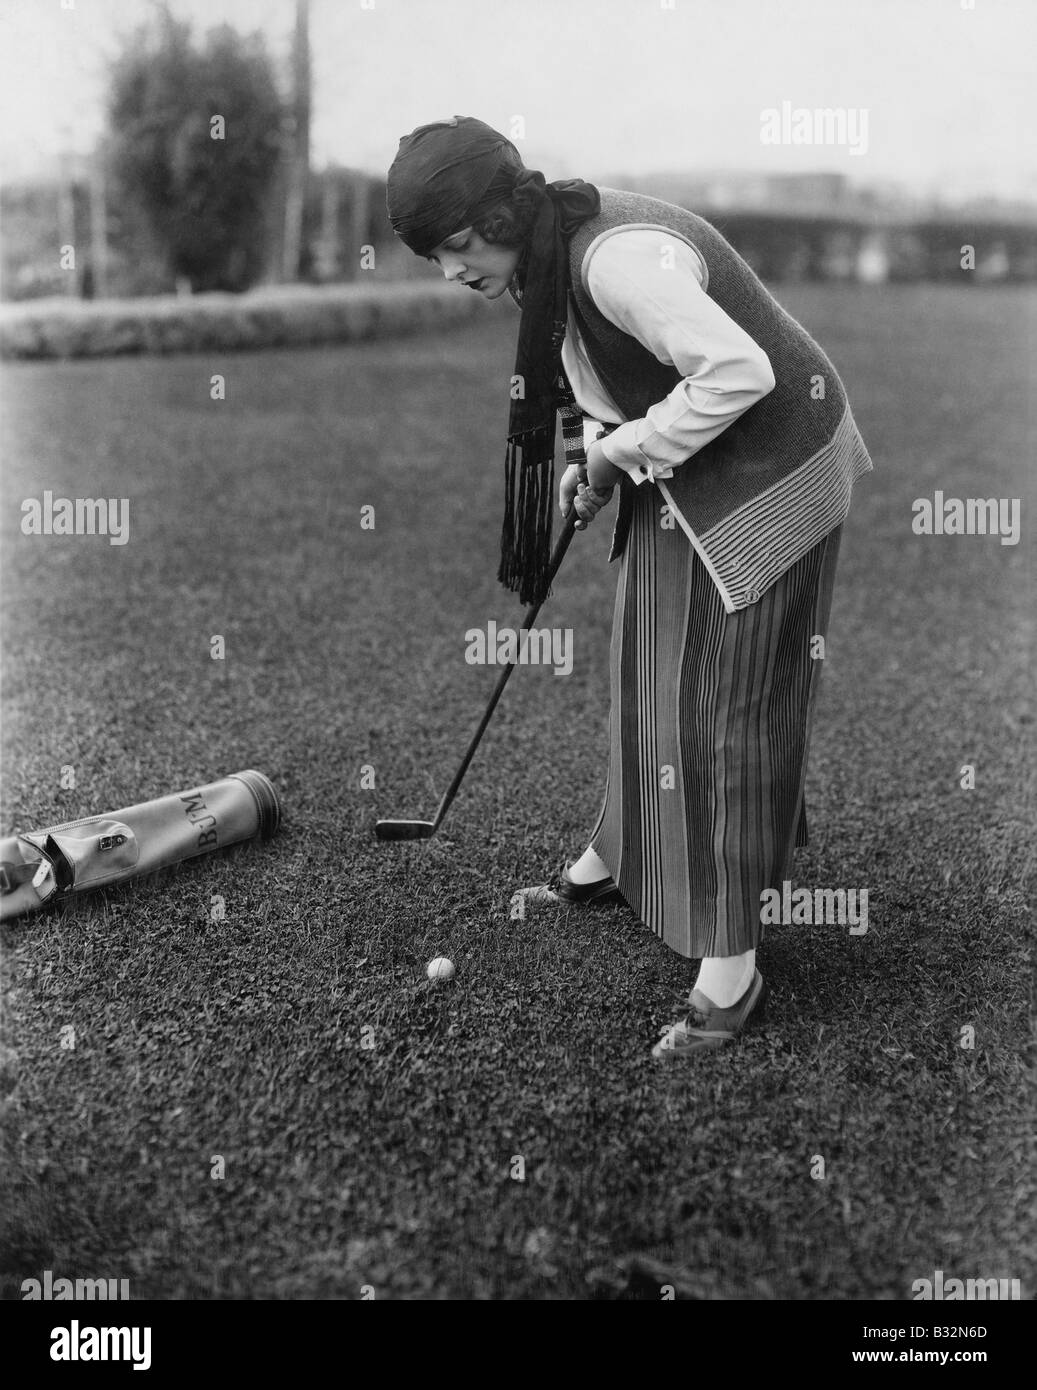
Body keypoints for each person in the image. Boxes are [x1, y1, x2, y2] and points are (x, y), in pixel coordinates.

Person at [386, 117, 873, 1058]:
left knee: (714, 709)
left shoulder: (615, 260)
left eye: (455, 247)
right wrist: (594, 456)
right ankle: (617, 858)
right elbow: (592, 373)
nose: (452, 271)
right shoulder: (543, 256)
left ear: (500, 215)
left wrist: (621, 450)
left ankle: (729, 971)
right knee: (643, 661)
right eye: (433, 256)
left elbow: (738, 371)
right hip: (689, 463)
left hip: (773, 467)